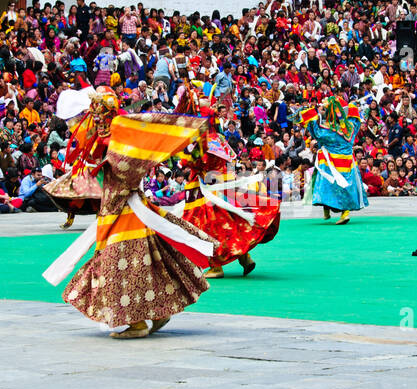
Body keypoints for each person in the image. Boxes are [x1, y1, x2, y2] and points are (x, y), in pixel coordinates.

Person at [44, 112, 213, 339]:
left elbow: (121, 179)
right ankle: (155, 314)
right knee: (147, 263)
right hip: (127, 211)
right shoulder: (116, 138)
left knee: (120, 267)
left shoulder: (121, 142)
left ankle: (138, 322)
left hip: (124, 212)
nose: (96, 120)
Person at [175, 81, 279, 278]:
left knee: (206, 226)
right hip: (223, 185)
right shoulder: (218, 138)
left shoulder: (202, 141)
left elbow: (192, 162)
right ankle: (245, 258)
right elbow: (230, 158)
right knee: (229, 222)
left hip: (206, 189)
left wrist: (183, 159)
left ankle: (216, 266)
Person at [44, 88, 119, 229]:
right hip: (87, 163)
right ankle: (70, 216)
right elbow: (85, 142)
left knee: (100, 195)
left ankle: (100, 219)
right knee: (76, 192)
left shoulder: (112, 126)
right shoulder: (90, 124)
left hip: (102, 165)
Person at [298, 96, 368, 224]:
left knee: (327, 185)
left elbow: (315, 131)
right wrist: (351, 106)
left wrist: (312, 112)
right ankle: (344, 213)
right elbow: (355, 118)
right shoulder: (350, 127)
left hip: (330, 162)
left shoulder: (327, 131)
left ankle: (327, 210)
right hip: (347, 162)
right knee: (346, 186)